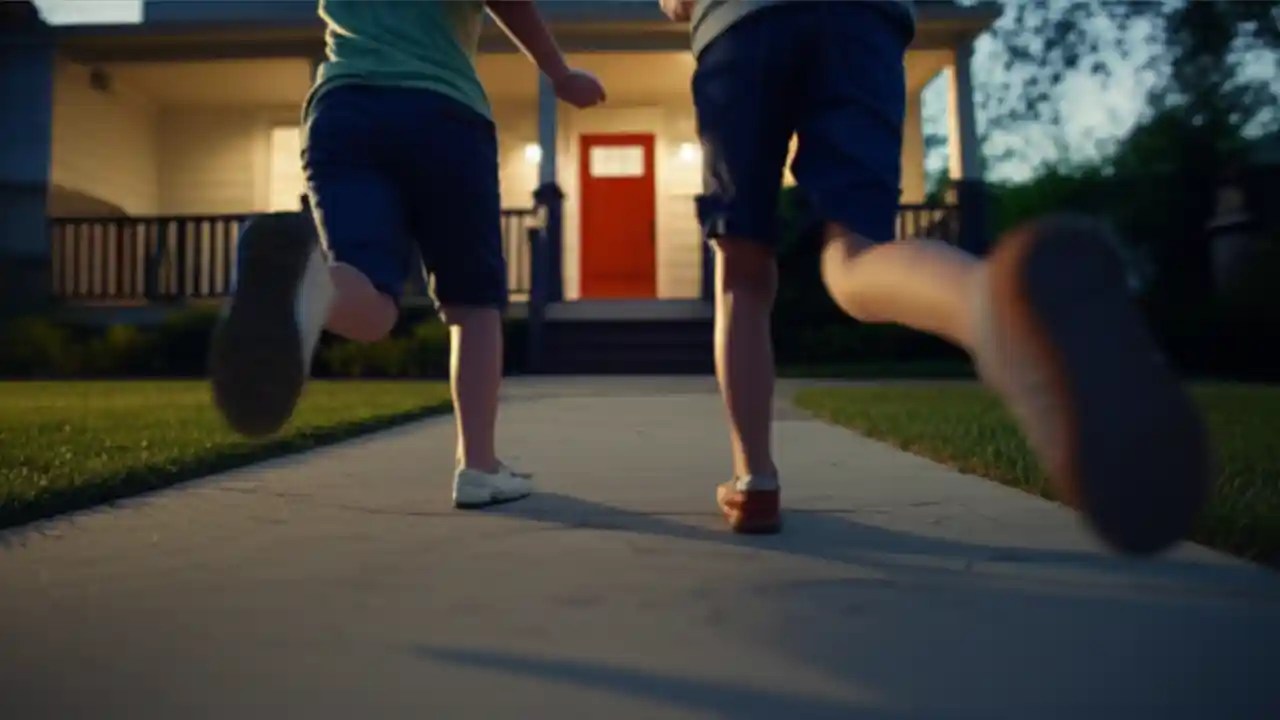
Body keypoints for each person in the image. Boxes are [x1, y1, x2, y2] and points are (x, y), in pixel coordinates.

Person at [664, 0, 1210, 555]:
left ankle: (755, 480)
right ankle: (986, 300)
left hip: (741, 26)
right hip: (861, 20)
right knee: (854, 257)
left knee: (742, 275)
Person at [210, 0, 606, 509]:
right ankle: (479, 466)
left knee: (371, 303)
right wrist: (559, 72)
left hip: (343, 108)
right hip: (441, 111)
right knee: (473, 306)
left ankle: (309, 286)